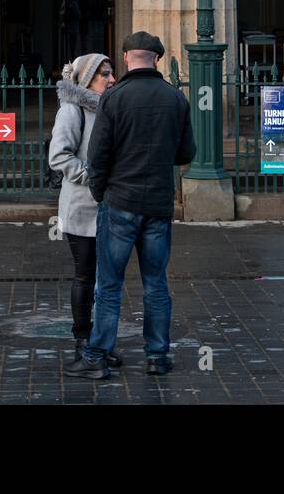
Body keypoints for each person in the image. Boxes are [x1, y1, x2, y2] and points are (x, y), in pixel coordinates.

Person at [64, 31, 196, 379]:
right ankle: (158, 356)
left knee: (108, 284)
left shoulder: (115, 98)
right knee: (156, 283)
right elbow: (186, 154)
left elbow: (98, 154)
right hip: (157, 203)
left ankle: (98, 355)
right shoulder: (175, 99)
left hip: (120, 201)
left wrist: (99, 192)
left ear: (126, 58)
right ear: (158, 58)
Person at [48, 52, 121, 367]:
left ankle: (100, 343)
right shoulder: (72, 110)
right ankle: (82, 338)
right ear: (88, 78)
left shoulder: (109, 110)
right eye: (105, 73)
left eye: (112, 72)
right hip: (81, 208)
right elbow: (59, 157)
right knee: (85, 276)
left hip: (109, 207)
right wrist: (95, 174)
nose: (112, 79)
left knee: (106, 279)